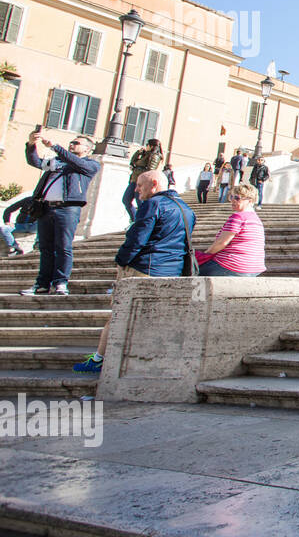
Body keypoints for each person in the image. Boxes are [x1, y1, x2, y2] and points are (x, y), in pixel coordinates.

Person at [74, 169, 196, 373]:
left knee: (117, 316)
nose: (136, 190)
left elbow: (137, 239)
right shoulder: (187, 210)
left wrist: (121, 261)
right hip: (172, 270)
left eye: (140, 185)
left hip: (144, 268)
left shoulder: (152, 204)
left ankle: (99, 359)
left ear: (154, 184)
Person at [21, 130, 100, 296]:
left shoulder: (89, 165)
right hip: (46, 208)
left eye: (76, 143)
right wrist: (31, 145)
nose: (72, 145)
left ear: (87, 149)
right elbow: (35, 162)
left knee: (63, 246)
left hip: (68, 209)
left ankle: (61, 283)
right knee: (45, 248)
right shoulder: (57, 162)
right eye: (71, 142)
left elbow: (76, 163)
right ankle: (42, 284)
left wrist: (55, 147)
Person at [195, 183, 265, 278]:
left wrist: (204, 255)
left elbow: (221, 243)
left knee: (191, 269)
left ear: (250, 200)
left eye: (237, 198)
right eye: (231, 197)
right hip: (254, 268)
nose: (232, 200)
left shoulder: (238, 217)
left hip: (233, 266)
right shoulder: (256, 219)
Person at [124, 138, 163, 221]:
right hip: (134, 180)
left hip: (142, 182)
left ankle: (141, 220)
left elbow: (150, 170)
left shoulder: (155, 156)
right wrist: (138, 152)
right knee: (126, 200)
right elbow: (133, 162)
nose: (146, 146)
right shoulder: (145, 154)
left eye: (147, 145)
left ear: (151, 146)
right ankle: (135, 219)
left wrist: (137, 169)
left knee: (141, 203)